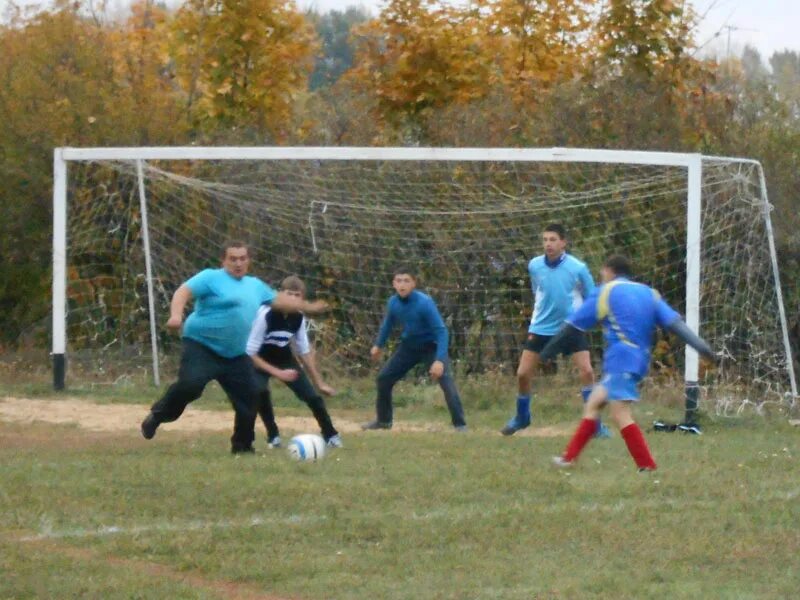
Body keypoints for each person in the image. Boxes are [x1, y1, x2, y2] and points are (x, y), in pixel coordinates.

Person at [140, 241, 327, 453]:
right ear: (224, 260)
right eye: (233, 259)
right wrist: (175, 316)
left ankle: (243, 448)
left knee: (251, 395)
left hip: (236, 354)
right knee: (190, 387)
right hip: (202, 346)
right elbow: (183, 292)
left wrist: (310, 306)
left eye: (242, 259)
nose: (238, 263)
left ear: (248, 261)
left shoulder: (255, 285)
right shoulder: (210, 277)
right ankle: (158, 416)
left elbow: (282, 301)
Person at [541, 254, 716, 470]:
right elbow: (675, 324)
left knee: (620, 413)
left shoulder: (606, 291)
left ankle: (647, 465)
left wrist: (546, 352)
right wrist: (703, 348)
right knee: (594, 402)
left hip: (621, 359)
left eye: (602, 273)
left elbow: (573, 326)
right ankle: (569, 459)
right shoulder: (649, 294)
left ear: (609, 271)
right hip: (639, 359)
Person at [501, 223, 610, 438]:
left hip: (570, 327)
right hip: (541, 327)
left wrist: (588, 320)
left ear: (563, 243)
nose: (548, 244)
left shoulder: (577, 267)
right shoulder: (534, 265)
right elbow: (538, 291)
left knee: (587, 371)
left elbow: (591, 297)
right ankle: (522, 417)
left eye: (552, 239)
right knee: (523, 373)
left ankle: (594, 424)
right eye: (545, 240)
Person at [242, 275, 342, 450]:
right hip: (259, 357)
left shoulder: (298, 317)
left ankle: (331, 435)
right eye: (289, 294)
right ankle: (273, 435)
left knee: (313, 397)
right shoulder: (266, 313)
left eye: (297, 295)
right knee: (259, 392)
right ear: (280, 295)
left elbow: (303, 350)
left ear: (302, 298)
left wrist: (319, 382)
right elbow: (250, 352)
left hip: (283, 356)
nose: (293, 299)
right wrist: (277, 373)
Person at [362, 267, 467, 431]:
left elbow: (441, 331)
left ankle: (460, 425)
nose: (402, 285)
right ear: (393, 284)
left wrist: (439, 360)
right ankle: (383, 421)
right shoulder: (393, 302)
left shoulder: (424, 303)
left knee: (446, 382)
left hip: (430, 347)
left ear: (414, 284)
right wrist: (378, 345)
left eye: (406, 281)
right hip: (409, 347)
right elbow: (387, 324)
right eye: (398, 281)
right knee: (383, 379)